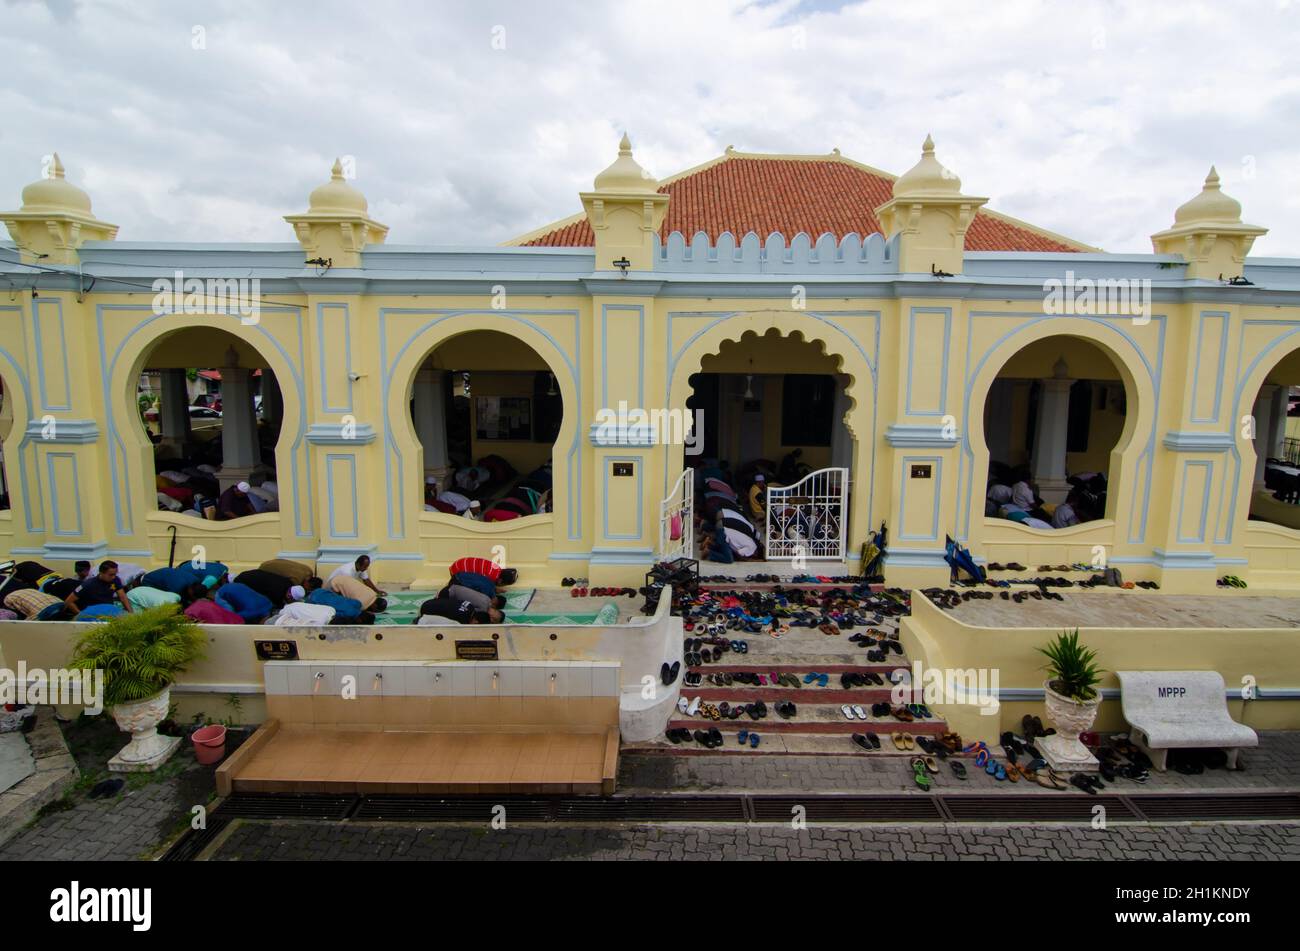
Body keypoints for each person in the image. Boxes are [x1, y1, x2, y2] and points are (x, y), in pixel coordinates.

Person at [65, 561, 132, 615]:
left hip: (109, 611)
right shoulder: (88, 584)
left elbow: (123, 597)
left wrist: (131, 613)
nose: (113, 577)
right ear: (101, 573)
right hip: (94, 614)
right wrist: (81, 615)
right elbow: (68, 602)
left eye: (115, 574)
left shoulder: (115, 580)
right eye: (111, 575)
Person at [234, 567, 303, 608]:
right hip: (245, 580)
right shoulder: (277, 593)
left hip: (253, 574)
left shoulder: (290, 583)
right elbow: (279, 606)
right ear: (289, 596)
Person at [414, 595, 501, 625]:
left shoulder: (470, 606)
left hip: (429, 602)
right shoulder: (462, 620)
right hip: (424, 610)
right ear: (475, 621)